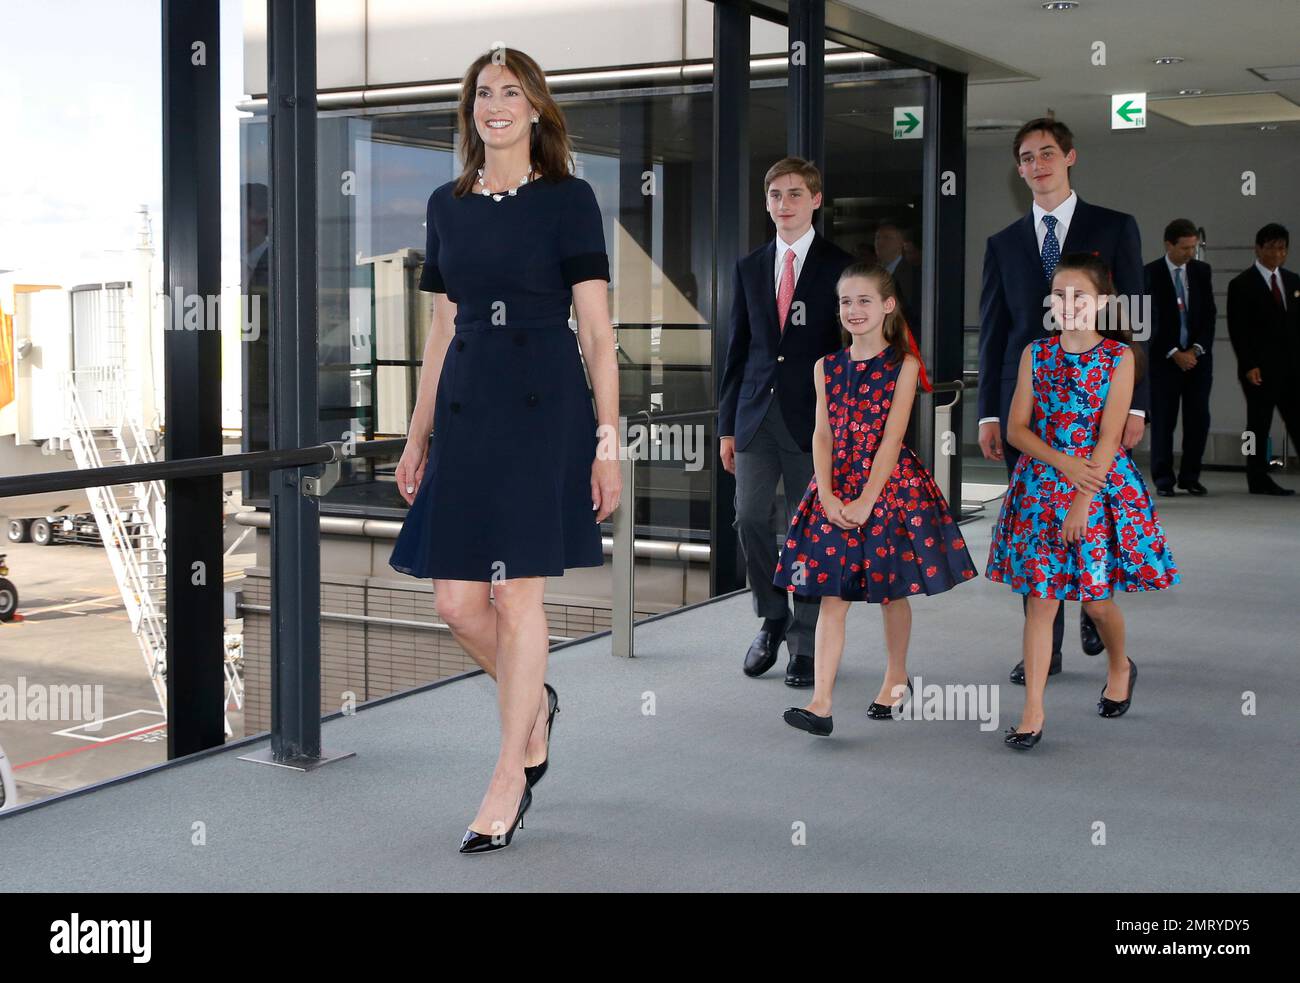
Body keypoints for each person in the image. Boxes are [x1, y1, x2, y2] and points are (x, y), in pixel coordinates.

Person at [387, 47, 621, 853]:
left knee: (517, 599)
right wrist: (417, 433)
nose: (495, 105)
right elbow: (440, 328)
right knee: (457, 602)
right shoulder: (446, 205)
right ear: (470, 109)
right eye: (483, 93)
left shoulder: (570, 199)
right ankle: (537, 706)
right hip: (465, 405)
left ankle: (506, 779)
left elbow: (596, 332)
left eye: (510, 93)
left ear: (536, 109)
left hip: (542, 404)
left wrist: (609, 440)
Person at [977, 116, 1148, 685]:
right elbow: (995, 328)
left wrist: (1135, 407)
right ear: (1019, 168)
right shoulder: (1002, 243)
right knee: (1035, 531)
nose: (1036, 165)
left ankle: (1094, 606)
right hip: (1026, 406)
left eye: (1047, 153)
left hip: (1097, 404)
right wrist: (990, 410)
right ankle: (1041, 651)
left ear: (1069, 157)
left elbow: (1131, 317)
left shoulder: (1114, 226)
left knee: (1089, 515)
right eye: (1026, 157)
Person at [773, 264, 976, 736]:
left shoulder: (903, 366)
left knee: (891, 592)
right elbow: (821, 435)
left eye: (865, 300)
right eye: (846, 302)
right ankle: (821, 703)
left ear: (888, 306)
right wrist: (825, 494)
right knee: (832, 596)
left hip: (889, 489)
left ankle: (895, 676)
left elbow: (891, 438)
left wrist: (866, 498)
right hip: (836, 486)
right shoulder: (826, 367)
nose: (854, 310)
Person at [986, 253, 1179, 750]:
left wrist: (1080, 501)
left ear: (1103, 302)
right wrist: (1061, 464)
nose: (1069, 305)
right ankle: (1032, 711)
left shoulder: (1119, 358)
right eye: (1061, 295)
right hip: (1039, 490)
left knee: (1097, 602)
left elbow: (1109, 439)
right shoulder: (1036, 354)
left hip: (1095, 488)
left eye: (1080, 296)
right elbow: (1016, 429)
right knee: (1041, 603)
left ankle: (1120, 664)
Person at [718, 157, 853, 688]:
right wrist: (728, 425)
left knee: (811, 532)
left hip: (815, 423)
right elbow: (738, 350)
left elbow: (851, 350)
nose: (784, 204)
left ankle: (804, 640)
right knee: (749, 518)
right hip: (754, 417)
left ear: (816, 200)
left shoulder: (841, 266)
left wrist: (846, 425)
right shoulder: (750, 267)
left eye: (795, 194)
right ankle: (772, 614)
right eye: (775, 195)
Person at [1226, 223, 1300, 496]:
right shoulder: (1242, 284)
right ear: (1258, 249)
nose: (1277, 254)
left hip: (1292, 368)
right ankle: (1257, 477)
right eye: (1271, 247)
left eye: (1282, 248)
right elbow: (1238, 329)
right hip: (1260, 369)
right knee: (1258, 425)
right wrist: (1248, 364)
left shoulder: (1293, 282)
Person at [1145, 219, 1216, 496]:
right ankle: (1164, 480)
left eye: (1193, 247)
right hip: (1164, 361)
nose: (1190, 253)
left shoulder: (1201, 271)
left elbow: (1209, 315)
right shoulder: (1149, 273)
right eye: (1185, 248)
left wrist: (1195, 350)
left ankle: (1190, 476)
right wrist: (1174, 352)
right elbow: (1147, 321)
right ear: (1169, 245)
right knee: (1163, 420)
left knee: (1198, 418)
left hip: (1197, 360)